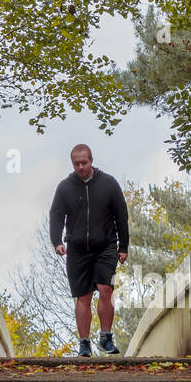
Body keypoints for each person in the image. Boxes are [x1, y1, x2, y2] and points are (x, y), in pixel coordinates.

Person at [48, 144, 130, 356]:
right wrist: (57, 241)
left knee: (105, 289)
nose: (81, 167)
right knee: (83, 297)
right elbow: (56, 215)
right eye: (77, 164)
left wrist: (124, 246)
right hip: (77, 249)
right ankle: (84, 343)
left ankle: (106, 337)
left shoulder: (109, 184)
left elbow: (121, 215)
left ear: (91, 160)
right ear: (72, 164)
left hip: (106, 246)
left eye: (84, 163)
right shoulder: (65, 187)